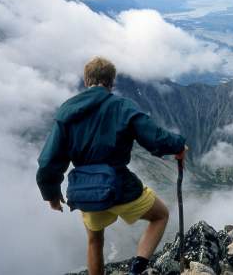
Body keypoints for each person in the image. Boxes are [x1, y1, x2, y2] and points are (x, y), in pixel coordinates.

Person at [36, 57, 188, 275]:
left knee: (94, 241)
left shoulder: (66, 111)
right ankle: (136, 270)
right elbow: (154, 137)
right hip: (121, 186)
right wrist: (179, 145)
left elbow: (49, 160)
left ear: (86, 80)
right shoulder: (122, 106)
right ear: (112, 82)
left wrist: (51, 195)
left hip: (87, 191)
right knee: (160, 216)